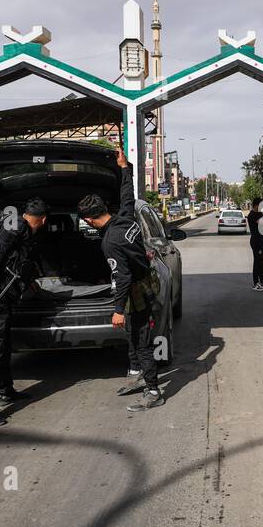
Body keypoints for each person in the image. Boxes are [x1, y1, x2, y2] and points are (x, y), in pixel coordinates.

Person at [78, 149, 165, 412]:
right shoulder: (126, 217)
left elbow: (122, 277)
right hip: (146, 282)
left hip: (137, 290)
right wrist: (124, 168)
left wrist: (117, 310)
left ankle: (153, 390)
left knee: (142, 340)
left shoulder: (110, 242)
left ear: (88, 220)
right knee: (132, 334)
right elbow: (127, 195)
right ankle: (139, 375)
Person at [0, 197, 47, 426]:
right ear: (43, 219)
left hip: (4, 293)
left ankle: (4, 390)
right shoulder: (15, 227)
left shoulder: (23, 231)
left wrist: (29, 280)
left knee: (2, 344)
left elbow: (17, 262)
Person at [247, 198, 263, 290]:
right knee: (257, 262)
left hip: (262, 241)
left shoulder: (260, 214)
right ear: (256, 205)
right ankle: (255, 283)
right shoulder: (252, 215)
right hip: (256, 241)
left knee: (262, 262)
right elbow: (262, 222)